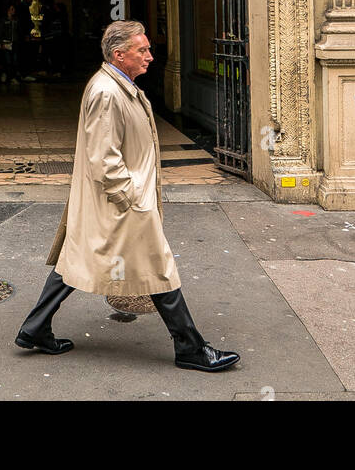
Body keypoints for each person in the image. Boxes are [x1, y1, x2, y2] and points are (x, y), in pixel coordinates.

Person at [15, 19, 239, 373]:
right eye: (143, 50)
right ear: (120, 55)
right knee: (159, 268)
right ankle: (191, 348)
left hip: (119, 201)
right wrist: (130, 198)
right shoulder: (106, 92)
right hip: (124, 203)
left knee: (79, 257)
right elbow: (105, 157)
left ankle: (34, 328)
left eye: (148, 48)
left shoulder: (120, 85)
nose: (150, 56)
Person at [0, 2, 20, 84]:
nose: (14, 11)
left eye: (14, 9)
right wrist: (1, 42)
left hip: (15, 43)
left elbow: (18, 31)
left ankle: (11, 76)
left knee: (15, 60)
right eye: (12, 9)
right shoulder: (3, 20)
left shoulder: (16, 19)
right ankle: (8, 75)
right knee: (8, 61)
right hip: (6, 43)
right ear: (8, 10)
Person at [17, 0, 37, 82]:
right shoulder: (23, 8)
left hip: (23, 34)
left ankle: (22, 73)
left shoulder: (23, 7)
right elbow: (24, 22)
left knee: (23, 54)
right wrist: (26, 33)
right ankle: (24, 73)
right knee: (24, 54)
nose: (31, 1)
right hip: (23, 34)